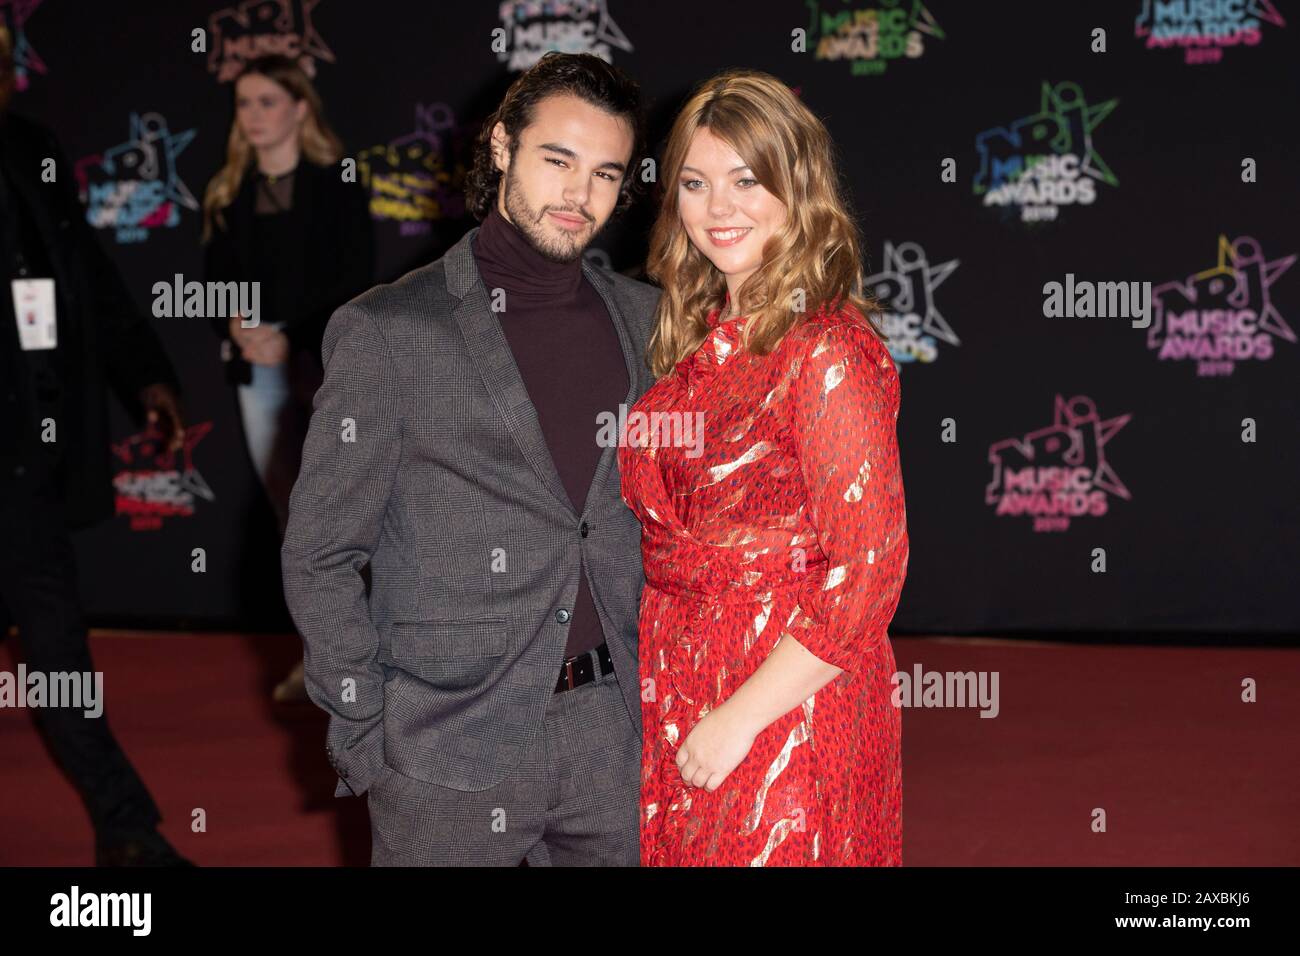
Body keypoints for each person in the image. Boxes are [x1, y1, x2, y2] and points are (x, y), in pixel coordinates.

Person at [281, 52, 660, 865]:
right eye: (557, 160)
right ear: (501, 147)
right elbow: (319, 553)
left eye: (604, 173)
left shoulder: (650, 322)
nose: (579, 194)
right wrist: (368, 737)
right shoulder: (390, 331)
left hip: (615, 738)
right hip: (445, 749)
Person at [618, 69, 910, 866]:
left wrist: (741, 718)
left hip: (786, 713)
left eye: (746, 180)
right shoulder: (698, 342)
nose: (719, 207)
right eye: (695, 183)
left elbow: (869, 570)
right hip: (685, 685)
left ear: (797, 186)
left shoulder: (825, 351)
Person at [0, 24, 191, 865]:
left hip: (25, 464)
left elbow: (88, 278)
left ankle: (127, 830)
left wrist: (145, 376)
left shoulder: (31, 148)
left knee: (57, 652)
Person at [200, 54, 374, 702]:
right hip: (256, 368)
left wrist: (290, 335)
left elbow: (355, 281)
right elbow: (216, 285)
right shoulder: (229, 194)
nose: (254, 115)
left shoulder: (336, 185)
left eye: (267, 101)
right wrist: (236, 325)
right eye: (244, 103)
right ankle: (318, 657)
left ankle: (370, 652)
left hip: (323, 367)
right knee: (291, 515)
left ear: (300, 108)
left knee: (343, 512)